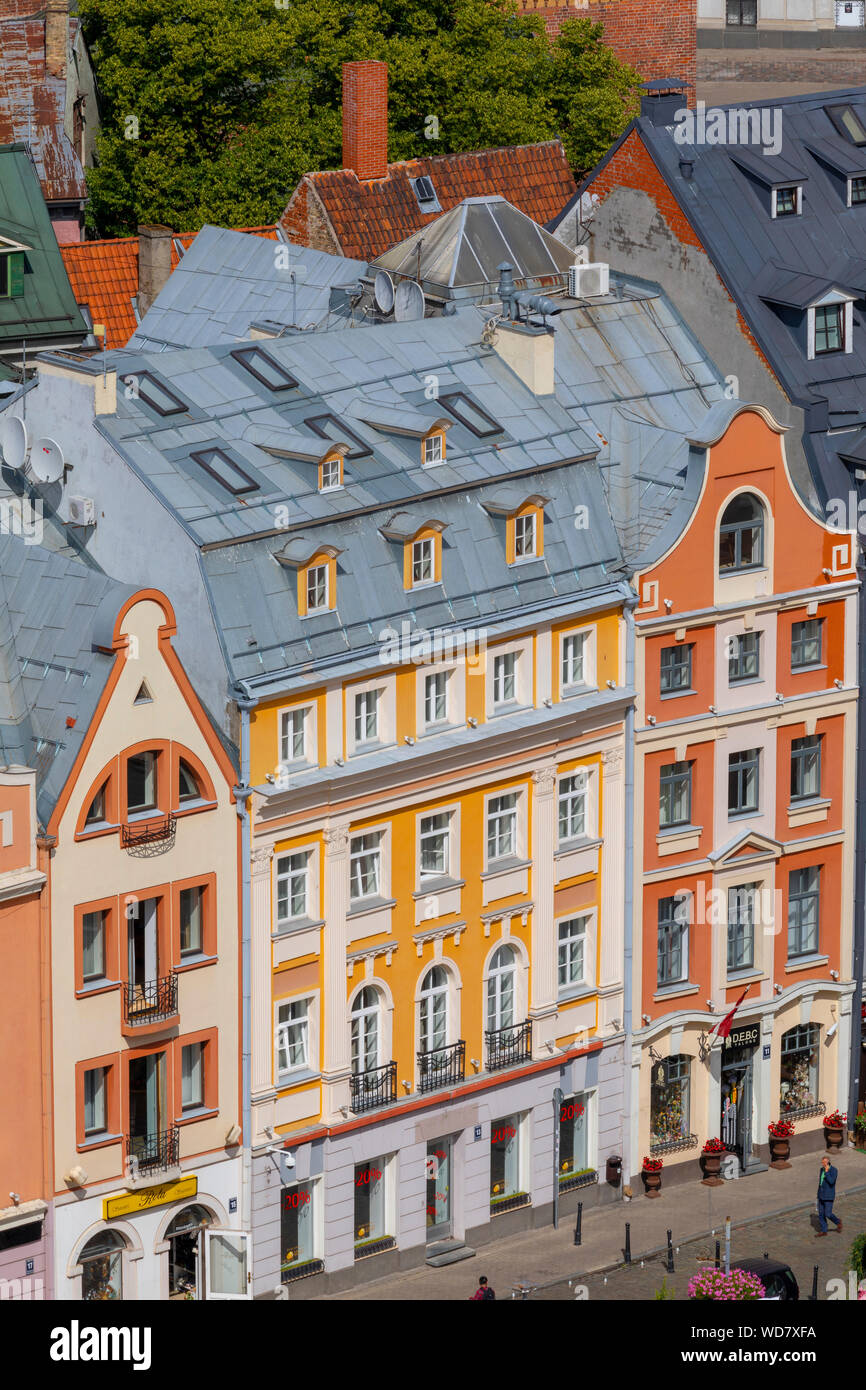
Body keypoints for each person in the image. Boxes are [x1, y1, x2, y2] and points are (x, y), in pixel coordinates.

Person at [816, 1154, 842, 1237]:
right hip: (821, 1195)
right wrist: (818, 1194)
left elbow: (831, 1182)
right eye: (822, 1162)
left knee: (828, 1214)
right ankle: (824, 1231)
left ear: (828, 1162)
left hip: (828, 1196)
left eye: (824, 1163)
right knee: (821, 1214)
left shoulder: (834, 1170)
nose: (823, 1164)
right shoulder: (821, 1169)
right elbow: (820, 1183)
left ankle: (838, 1221)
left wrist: (827, 1172)